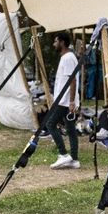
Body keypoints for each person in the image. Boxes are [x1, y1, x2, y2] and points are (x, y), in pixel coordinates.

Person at [46, 31, 80, 170]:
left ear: (62, 42)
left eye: (55, 41)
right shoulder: (66, 57)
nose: (54, 44)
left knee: (50, 124)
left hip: (65, 101)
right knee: (71, 129)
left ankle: (63, 154)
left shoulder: (68, 58)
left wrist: (71, 101)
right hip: (65, 100)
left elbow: (73, 81)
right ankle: (74, 159)